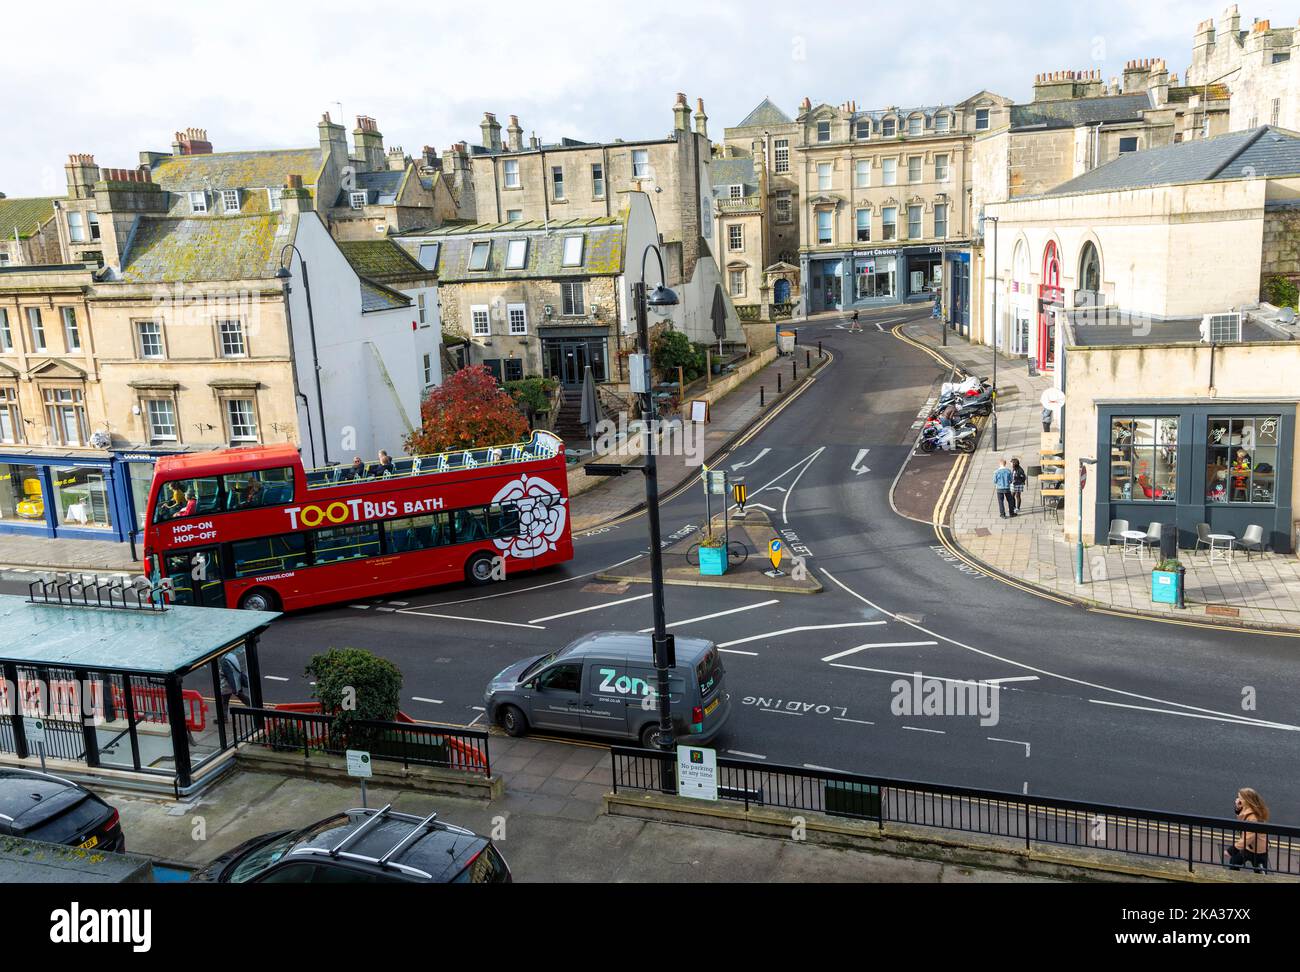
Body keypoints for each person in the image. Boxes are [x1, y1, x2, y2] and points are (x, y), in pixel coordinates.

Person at [1224, 788, 1269, 873]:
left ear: (1247, 801)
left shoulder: (1253, 818)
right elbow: (1242, 822)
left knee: (1260, 873)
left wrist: (1232, 850)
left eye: (1240, 798)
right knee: (1234, 862)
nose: (1237, 800)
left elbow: (1248, 837)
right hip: (1248, 847)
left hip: (1258, 851)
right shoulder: (1249, 810)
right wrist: (1238, 809)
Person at [218, 647, 251, 725]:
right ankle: (254, 706)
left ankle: (224, 718)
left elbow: (229, 675)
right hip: (236, 681)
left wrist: (234, 688)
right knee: (242, 697)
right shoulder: (231, 655)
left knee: (224, 701)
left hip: (227, 685)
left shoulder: (224, 660)